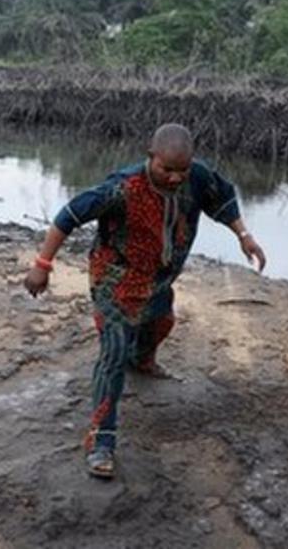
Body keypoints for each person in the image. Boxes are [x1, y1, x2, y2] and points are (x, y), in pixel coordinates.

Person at [24, 123, 266, 479]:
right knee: (113, 354)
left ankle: (143, 360)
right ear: (150, 157)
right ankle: (101, 441)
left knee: (163, 321)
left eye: (181, 170)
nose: (174, 178)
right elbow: (68, 216)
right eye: (166, 169)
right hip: (115, 282)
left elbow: (223, 199)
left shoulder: (196, 177)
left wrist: (244, 237)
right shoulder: (121, 188)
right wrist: (42, 266)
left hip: (157, 278)